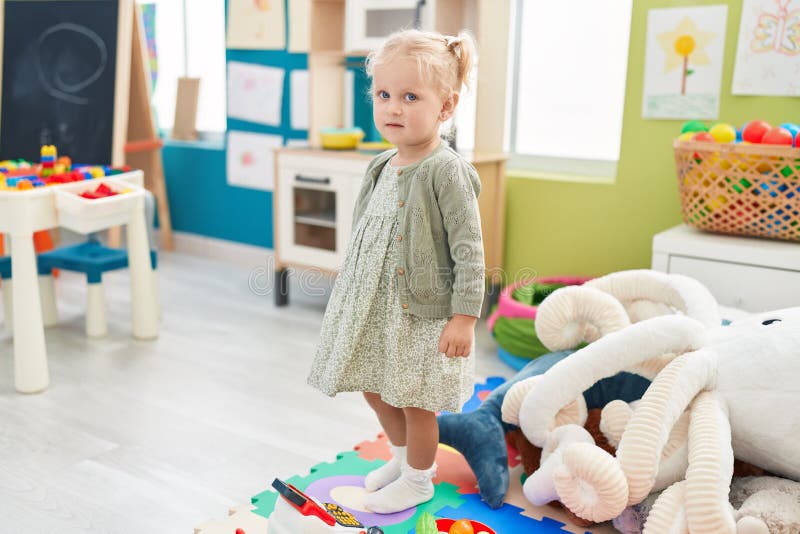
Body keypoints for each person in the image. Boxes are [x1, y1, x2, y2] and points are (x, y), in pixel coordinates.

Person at [308, 28, 484, 514]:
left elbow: (470, 248)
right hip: (379, 306)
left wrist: (464, 316)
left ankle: (419, 479)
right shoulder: (383, 164)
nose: (393, 108)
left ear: (444, 108)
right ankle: (403, 459)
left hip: (422, 313)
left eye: (410, 97)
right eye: (384, 95)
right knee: (374, 384)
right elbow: (368, 232)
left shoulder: (444, 170)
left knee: (415, 400)